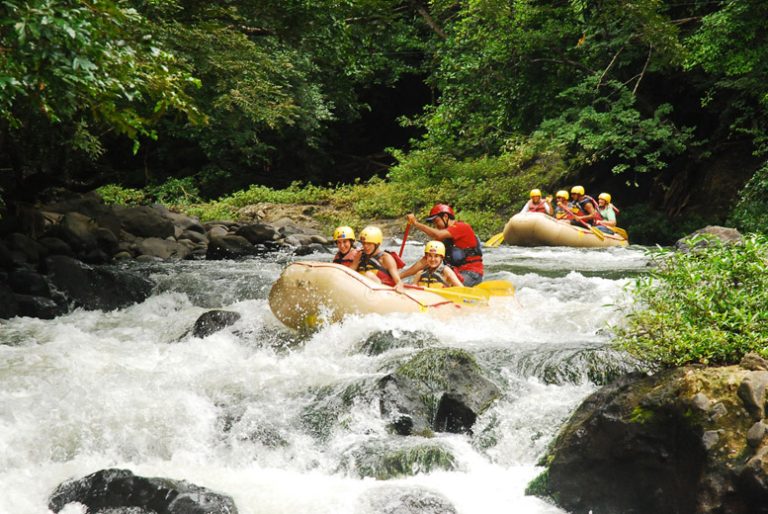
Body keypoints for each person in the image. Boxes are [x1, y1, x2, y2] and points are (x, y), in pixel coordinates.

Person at [402, 203, 484, 286]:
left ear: (445, 217)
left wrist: (416, 224)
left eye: (436, 221)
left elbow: (437, 234)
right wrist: (399, 276)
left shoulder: (462, 227)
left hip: (472, 273)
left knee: (444, 284)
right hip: (454, 273)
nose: (435, 225)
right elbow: (424, 262)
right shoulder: (442, 239)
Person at [350, 225, 404, 290]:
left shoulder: (385, 258)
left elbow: (399, 282)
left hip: (383, 292)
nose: (365, 246)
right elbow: (349, 272)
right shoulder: (360, 255)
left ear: (377, 244)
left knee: (368, 274)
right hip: (362, 290)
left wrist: (399, 286)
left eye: (369, 244)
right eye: (363, 243)